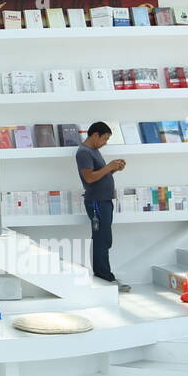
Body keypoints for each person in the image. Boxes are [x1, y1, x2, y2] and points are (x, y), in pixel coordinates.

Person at [76, 122, 131, 292]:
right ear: (95, 135)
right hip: (97, 202)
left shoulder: (93, 151)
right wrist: (109, 167)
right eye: (105, 138)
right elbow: (90, 178)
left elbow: (98, 175)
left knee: (104, 239)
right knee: (102, 239)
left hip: (103, 201)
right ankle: (104, 277)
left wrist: (114, 169)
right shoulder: (84, 152)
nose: (105, 142)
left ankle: (104, 276)